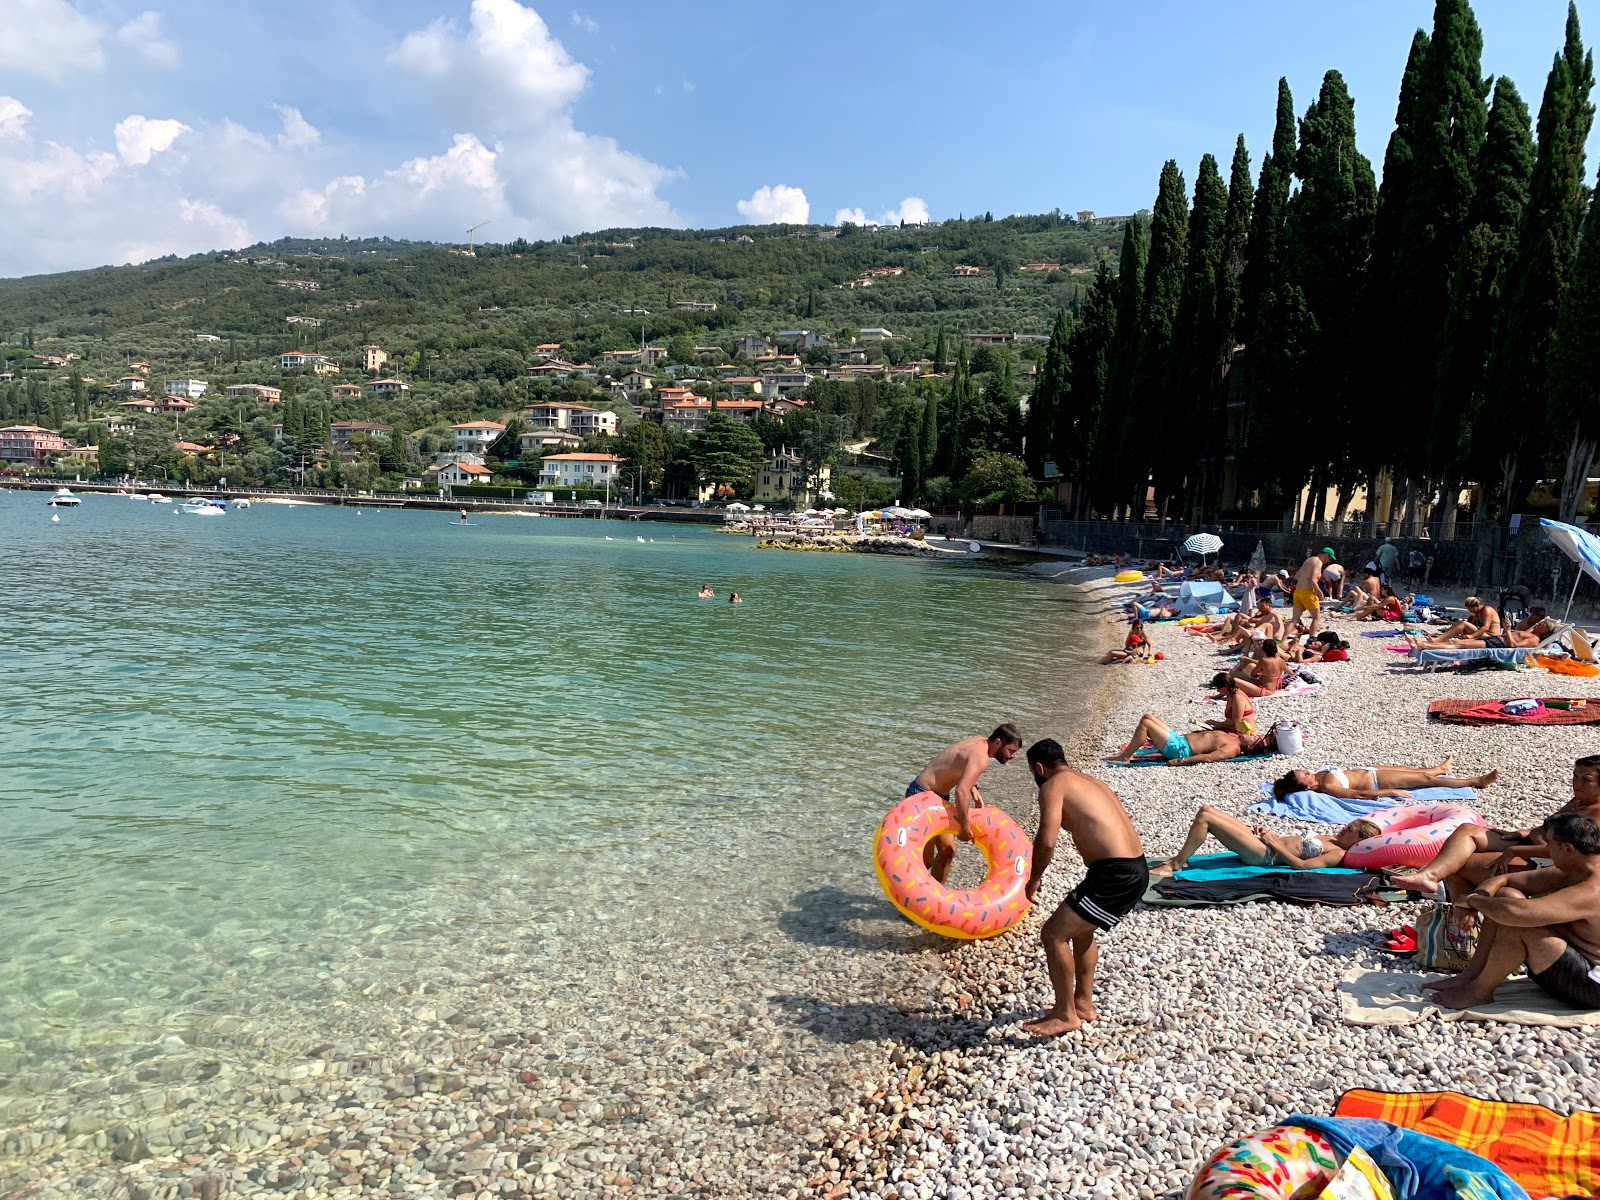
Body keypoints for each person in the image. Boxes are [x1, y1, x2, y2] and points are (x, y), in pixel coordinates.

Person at [1021, 739, 1146, 1037]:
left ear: (1039, 768)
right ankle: (1083, 1005)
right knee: (1081, 929)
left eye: (1033, 773)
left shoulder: (1053, 786)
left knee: (1053, 934)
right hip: (1134, 868)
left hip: (1115, 874)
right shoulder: (1088, 780)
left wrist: (1034, 877)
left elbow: (1047, 839)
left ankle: (1066, 1015)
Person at [1422, 813, 1600, 1011]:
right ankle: (1471, 975)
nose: (1546, 850)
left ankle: (1479, 992)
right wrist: (1477, 899)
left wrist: (1472, 900)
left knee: (1519, 924)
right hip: (1571, 958)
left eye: (1550, 844)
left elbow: (1517, 913)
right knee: (1508, 895)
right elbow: (1505, 880)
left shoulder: (1592, 889)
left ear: (1568, 848)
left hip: (1592, 986)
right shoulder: (1579, 869)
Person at [1388, 756, 1600, 899]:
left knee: (1461, 865)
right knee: (1467, 830)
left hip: (1549, 862)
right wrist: (1521, 833)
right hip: (1535, 844)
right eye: (1575, 776)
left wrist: (1514, 849)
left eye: (1585, 780)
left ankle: (1462, 931)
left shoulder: (1596, 814)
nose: (1577, 783)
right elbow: (1553, 827)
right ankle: (1429, 876)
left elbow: (1570, 852)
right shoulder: (1579, 801)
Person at [907, 725, 1024, 882]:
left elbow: (960, 765)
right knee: (926, 860)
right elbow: (961, 792)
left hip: (937, 797)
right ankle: (909, 899)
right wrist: (965, 827)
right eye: (1011, 750)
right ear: (998, 742)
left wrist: (973, 787)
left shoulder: (979, 741)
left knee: (947, 851)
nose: (1013, 756)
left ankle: (930, 901)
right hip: (921, 797)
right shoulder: (981, 758)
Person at [1150, 809, 1381, 877]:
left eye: (1348, 829)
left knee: (1206, 819)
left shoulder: (1337, 854)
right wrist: (1269, 834)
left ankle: (1177, 864)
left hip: (1266, 856)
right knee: (1206, 810)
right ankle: (1177, 860)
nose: (1342, 828)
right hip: (1267, 843)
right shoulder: (1332, 839)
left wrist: (1274, 844)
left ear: (1359, 840)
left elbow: (1300, 867)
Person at [1271, 758, 1499, 801]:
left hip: (1372, 770)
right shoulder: (1329, 786)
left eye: (1304, 770)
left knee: (1410, 769)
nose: (1309, 772)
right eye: (1305, 776)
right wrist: (1390, 793)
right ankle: (1475, 781)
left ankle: (1441, 767)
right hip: (1378, 781)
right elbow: (1359, 794)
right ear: (1307, 787)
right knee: (1426, 780)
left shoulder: (1321, 777)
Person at [1107, 713, 1275, 764]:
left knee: (1145, 725)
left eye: (1253, 738)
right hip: (1180, 740)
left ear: (1250, 747)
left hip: (1179, 749)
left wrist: (1181, 761)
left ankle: (1126, 756)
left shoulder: (1232, 749)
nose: (1252, 734)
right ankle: (1126, 754)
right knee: (1147, 717)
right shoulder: (1234, 737)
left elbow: (1209, 758)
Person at [1292, 548, 1337, 638]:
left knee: (1294, 620)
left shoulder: (1309, 560)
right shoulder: (1318, 562)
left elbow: (1297, 576)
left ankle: (1283, 639)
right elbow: (1313, 581)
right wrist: (1320, 594)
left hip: (1298, 591)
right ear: (1326, 555)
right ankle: (1311, 638)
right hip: (1307, 592)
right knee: (1317, 617)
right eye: (1329, 558)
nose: (1328, 561)